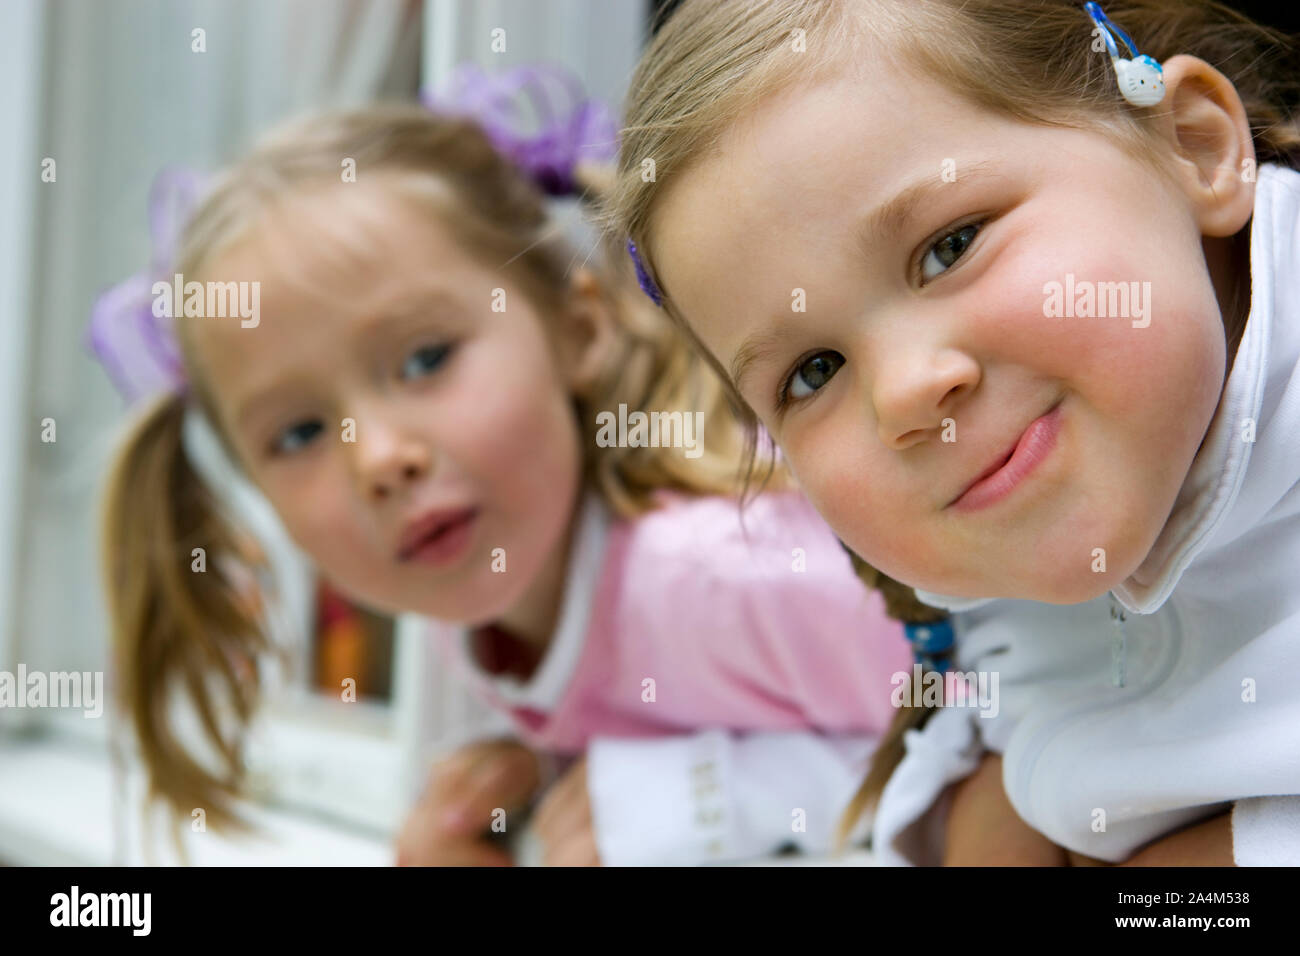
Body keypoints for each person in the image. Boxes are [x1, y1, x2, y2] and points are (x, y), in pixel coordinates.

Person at [90, 68, 912, 866]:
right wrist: (527, 781)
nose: (379, 459)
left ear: (577, 329)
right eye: (300, 433)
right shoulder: (477, 598)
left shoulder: (722, 575)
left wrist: (701, 796)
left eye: (425, 359)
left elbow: (994, 725)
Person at [603, 0, 1300, 864]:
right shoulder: (989, 590)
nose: (904, 396)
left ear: (1191, 146)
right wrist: (973, 815)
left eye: (951, 246)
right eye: (814, 372)